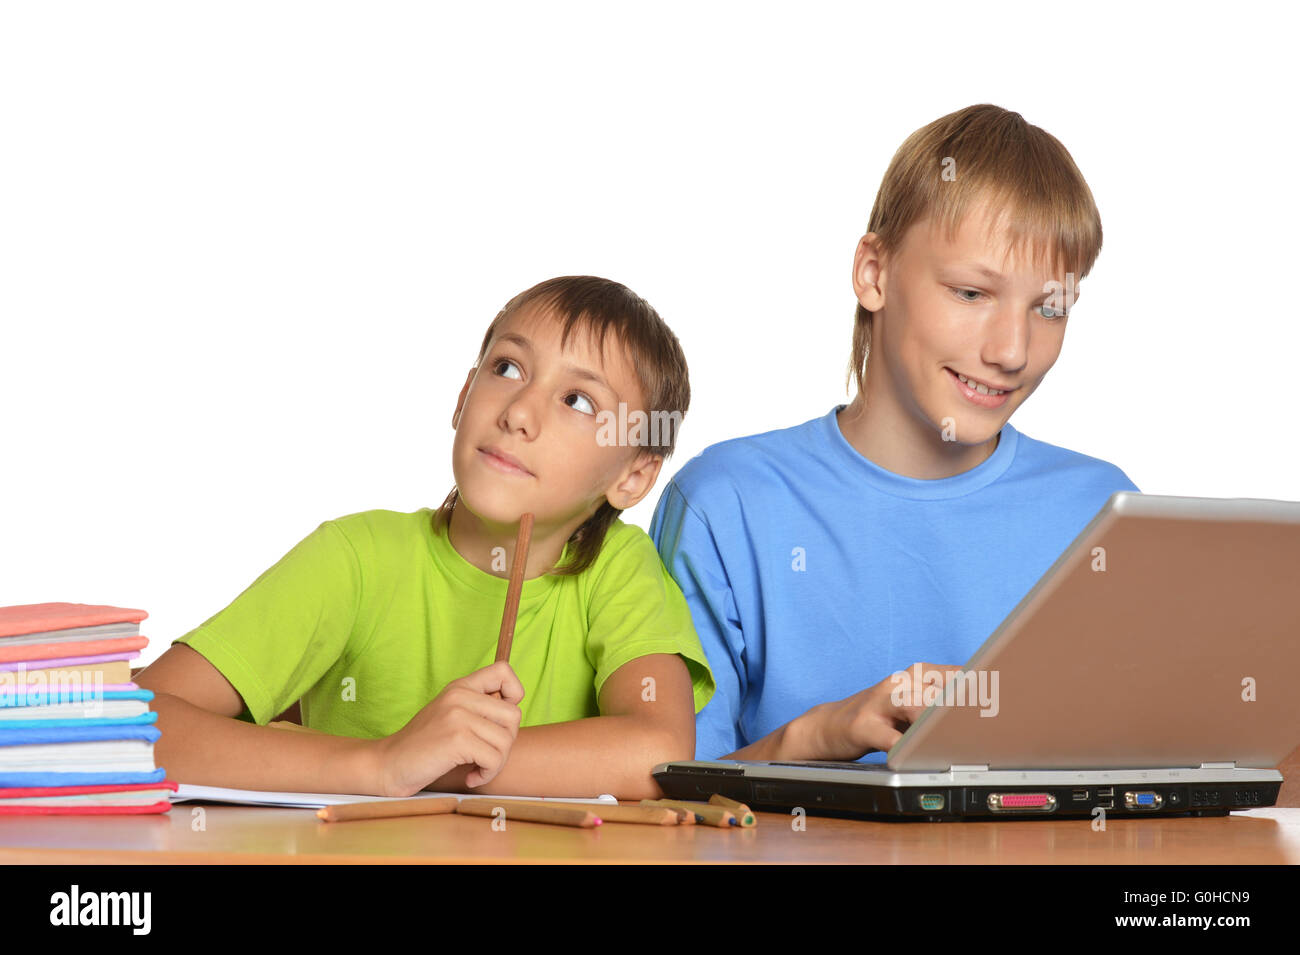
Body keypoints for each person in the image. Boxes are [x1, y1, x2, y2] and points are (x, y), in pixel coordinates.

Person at [650, 104, 1139, 763]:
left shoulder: (1105, 512)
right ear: (874, 274)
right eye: (971, 293)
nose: (1013, 350)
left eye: (1049, 307)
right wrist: (816, 735)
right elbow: (670, 802)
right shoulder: (726, 504)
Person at [138, 276, 713, 799]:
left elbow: (655, 752)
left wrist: (438, 763)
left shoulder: (618, 569)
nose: (518, 413)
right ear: (464, 396)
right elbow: (136, 727)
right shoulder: (358, 557)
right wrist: (383, 763)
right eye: (508, 368)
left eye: (577, 401)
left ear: (632, 475)